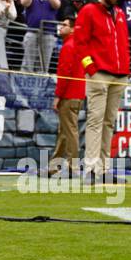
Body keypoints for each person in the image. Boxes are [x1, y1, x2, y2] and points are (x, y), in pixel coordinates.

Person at [73, 0, 131, 180]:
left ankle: (104, 169)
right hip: (100, 73)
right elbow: (79, 43)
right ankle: (90, 169)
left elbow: (123, 43)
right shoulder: (89, 11)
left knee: (108, 123)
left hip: (119, 74)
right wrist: (91, 69)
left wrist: (126, 68)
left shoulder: (120, 13)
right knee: (95, 121)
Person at [50, 18, 84, 176]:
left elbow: (64, 74)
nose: (60, 27)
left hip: (69, 95)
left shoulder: (68, 47)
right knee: (64, 131)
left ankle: (73, 166)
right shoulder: (77, 46)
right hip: (76, 94)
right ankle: (54, 165)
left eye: (64, 25)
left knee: (69, 131)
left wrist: (57, 96)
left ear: (72, 29)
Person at [18, 0, 59, 73]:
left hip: (48, 33)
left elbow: (57, 5)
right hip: (32, 31)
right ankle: (25, 76)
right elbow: (23, 2)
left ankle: (41, 79)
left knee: (44, 61)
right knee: (28, 59)